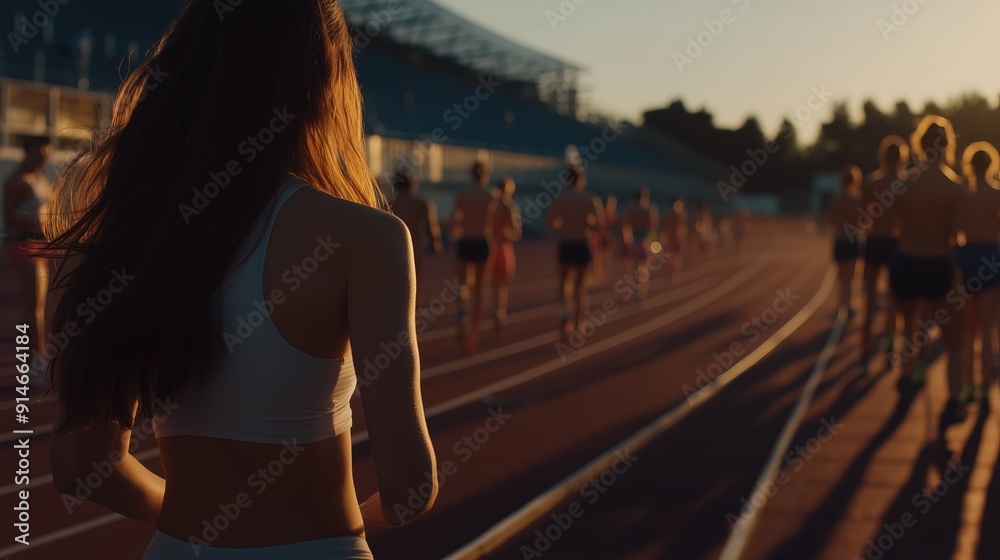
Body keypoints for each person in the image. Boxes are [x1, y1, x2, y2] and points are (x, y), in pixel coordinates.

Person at [44, 3, 437, 559]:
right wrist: (345, 532)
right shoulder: (366, 237)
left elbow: (81, 467)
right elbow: (409, 488)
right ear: (325, 80)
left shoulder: (117, 236)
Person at [888, 115, 966, 428]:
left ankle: (908, 378)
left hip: (906, 262)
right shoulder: (955, 187)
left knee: (909, 328)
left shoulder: (903, 183)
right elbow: (956, 236)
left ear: (919, 145)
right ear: (947, 145)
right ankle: (954, 402)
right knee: (954, 343)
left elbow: (895, 228)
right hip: (938, 263)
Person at [859, 136, 908, 376]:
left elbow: (861, 216)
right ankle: (889, 345)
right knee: (893, 300)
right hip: (895, 243)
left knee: (869, 301)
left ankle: (863, 356)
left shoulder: (871, 182)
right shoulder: (905, 183)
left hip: (875, 241)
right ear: (902, 158)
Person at [4, 136, 52, 382]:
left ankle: (28, 358)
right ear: (30, 151)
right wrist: (38, 222)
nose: (46, 156)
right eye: (42, 151)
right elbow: (10, 220)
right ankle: (37, 362)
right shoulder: (16, 182)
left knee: (33, 306)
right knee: (36, 308)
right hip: (25, 245)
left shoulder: (44, 181)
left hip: (43, 245)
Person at [956, 142, 1000, 408]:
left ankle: (967, 384)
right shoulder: (997, 193)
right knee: (987, 330)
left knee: (968, 331)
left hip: (967, 255)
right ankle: (985, 387)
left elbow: (957, 227)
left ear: (970, 165)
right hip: (991, 257)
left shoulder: (964, 195)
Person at [548, 166, 606, 338]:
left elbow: (550, 224)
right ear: (581, 180)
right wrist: (586, 224)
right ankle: (578, 326)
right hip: (581, 245)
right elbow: (600, 226)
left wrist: (564, 225)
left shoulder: (559, 200)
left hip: (566, 245)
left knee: (564, 282)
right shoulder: (590, 200)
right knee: (580, 289)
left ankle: (566, 312)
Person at [452, 161, 497, 353]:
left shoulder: (463, 194)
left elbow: (455, 220)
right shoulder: (491, 195)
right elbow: (494, 223)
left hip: (466, 241)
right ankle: (473, 332)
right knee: (480, 288)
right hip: (482, 241)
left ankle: (463, 315)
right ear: (485, 174)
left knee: (463, 284)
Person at [389, 168, 443, 284]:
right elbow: (431, 228)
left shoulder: (388, 203)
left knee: (392, 285)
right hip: (413, 249)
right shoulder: (422, 203)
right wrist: (436, 242)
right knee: (412, 285)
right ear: (412, 184)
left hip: (391, 250)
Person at [827, 165, 863, 317]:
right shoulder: (856, 200)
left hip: (839, 239)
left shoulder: (836, 199)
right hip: (851, 240)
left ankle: (839, 307)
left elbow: (830, 220)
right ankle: (846, 308)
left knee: (841, 278)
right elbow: (862, 221)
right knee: (849, 278)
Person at [490, 177, 521, 331]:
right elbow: (517, 232)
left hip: (488, 245)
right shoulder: (510, 207)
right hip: (502, 248)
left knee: (480, 281)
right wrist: (505, 233)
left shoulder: (490, 206)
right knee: (501, 285)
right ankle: (499, 313)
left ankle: (470, 313)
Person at [621, 187, 658, 304]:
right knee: (643, 267)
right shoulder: (649, 209)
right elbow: (653, 227)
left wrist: (628, 240)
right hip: (644, 240)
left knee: (635, 267)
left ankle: (637, 291)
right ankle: (641, 292)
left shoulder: (630, 209)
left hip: (633, 240)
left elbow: (625, 226)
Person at [662, 196, 688, 284]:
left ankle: (673, 276)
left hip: (674, 238)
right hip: (675, 238)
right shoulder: (679, 214)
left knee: (675, 259)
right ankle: (673, 276)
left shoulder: (672, 214)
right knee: (675, 259)